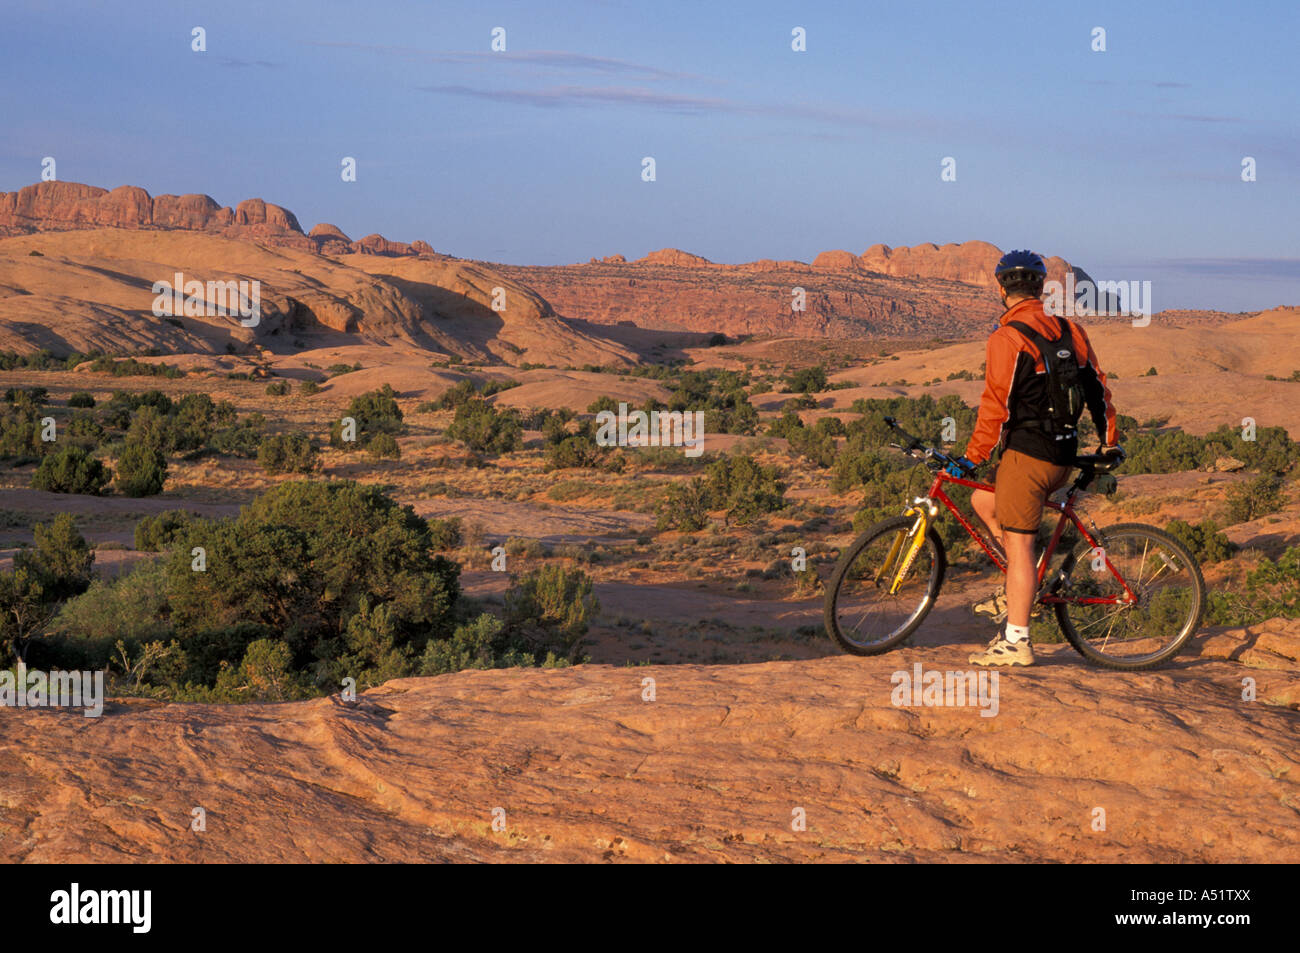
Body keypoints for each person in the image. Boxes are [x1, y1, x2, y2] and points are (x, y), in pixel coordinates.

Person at [945, 250, 1120, 666]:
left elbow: (995, 407)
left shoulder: (1007, 337)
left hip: (1028, 458)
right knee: (982, 501)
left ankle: (1017, 641)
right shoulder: (1069, 329)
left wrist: (971, 458)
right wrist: (1109, 441)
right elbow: (1098, 389)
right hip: (1062, 454)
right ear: (1041, 287)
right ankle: (1022, 583)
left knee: (1020, 549)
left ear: (1001, 286)